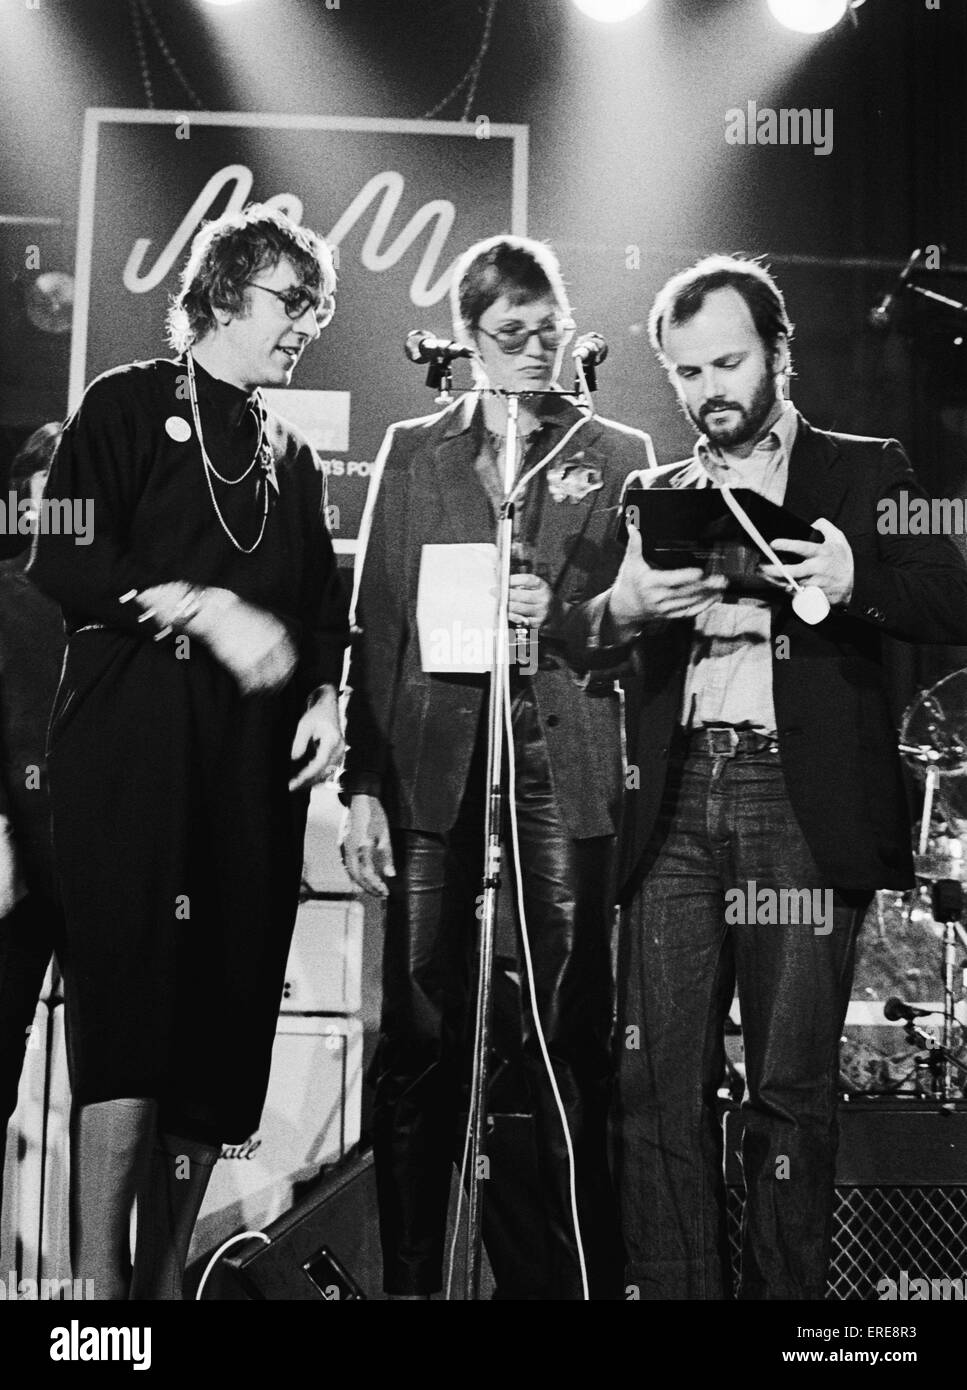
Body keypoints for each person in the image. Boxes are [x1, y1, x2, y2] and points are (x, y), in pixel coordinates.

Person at [594, 254, 967, 1299]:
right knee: (650, 1085)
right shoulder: (653, 491)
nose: (707, 388)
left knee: (790, 1091)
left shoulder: (863, 466)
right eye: (684, 372)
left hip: (792, 800)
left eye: (727, 361)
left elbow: (947, 595)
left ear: (779, 354)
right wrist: (623, 609)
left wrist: (854, 581)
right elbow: (590, 653)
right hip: (671, 802)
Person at [29, 204, 348, 1300]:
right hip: (130, 761)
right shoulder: (122, 403)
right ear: (219, 295)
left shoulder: (293, 454)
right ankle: (95, 1307)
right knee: (129, 1030)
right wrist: (196, 606)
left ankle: (164, 1298)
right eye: (288, 301)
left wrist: (323, 695)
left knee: (218, 1043)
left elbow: (320, 613)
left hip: (247, 784)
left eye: (316, 307)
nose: (306, 323)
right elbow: (61, 557)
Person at [340, 234, 653, 1300]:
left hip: (559, 769)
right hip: (435, 768)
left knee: (564, 1025)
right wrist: (362, 786)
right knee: (420, 1026)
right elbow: (377, 623)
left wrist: (560, 616)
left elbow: (646, 631)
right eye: (510, 334)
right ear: (468, 342)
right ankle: (415, 1282)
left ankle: (562, 1278)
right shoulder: (414, 448)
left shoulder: (615, 451)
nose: (535, 350)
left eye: (548, 330)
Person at [0, 423, 66, 1219]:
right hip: (14, 872)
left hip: (104, 869)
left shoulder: (131, 609)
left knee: (115, 1086)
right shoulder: (5, 599)